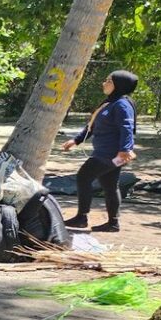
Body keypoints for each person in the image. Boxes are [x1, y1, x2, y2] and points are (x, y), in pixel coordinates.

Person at [62, 69, 138, 233]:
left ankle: (82, 217)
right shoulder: (110, 103)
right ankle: (113, 223)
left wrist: (125, 149)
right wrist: (76, 140)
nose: (104, 83)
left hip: (109, 153)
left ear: (119, 85)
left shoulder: (122, 104)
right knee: (110, 185)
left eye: (108, 81)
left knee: (83, 177)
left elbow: (127, 128)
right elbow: (92, 125)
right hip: (107, 152)